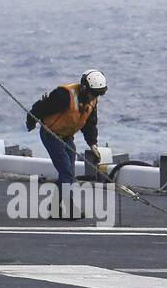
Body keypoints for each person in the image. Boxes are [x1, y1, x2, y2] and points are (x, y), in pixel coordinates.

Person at [27, 70, 108, 216]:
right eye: (93, 93)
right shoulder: (63, 95)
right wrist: (31, 120)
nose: (94, 97)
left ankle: (54, 208)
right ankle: (69, 208)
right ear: (84, 88)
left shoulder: (92, 101)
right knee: (66, 170)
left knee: (68, 173)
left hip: (67, 137)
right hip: (51, 135)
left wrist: (93, 144)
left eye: (97, 94)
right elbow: (42, 106)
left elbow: (90, 124)